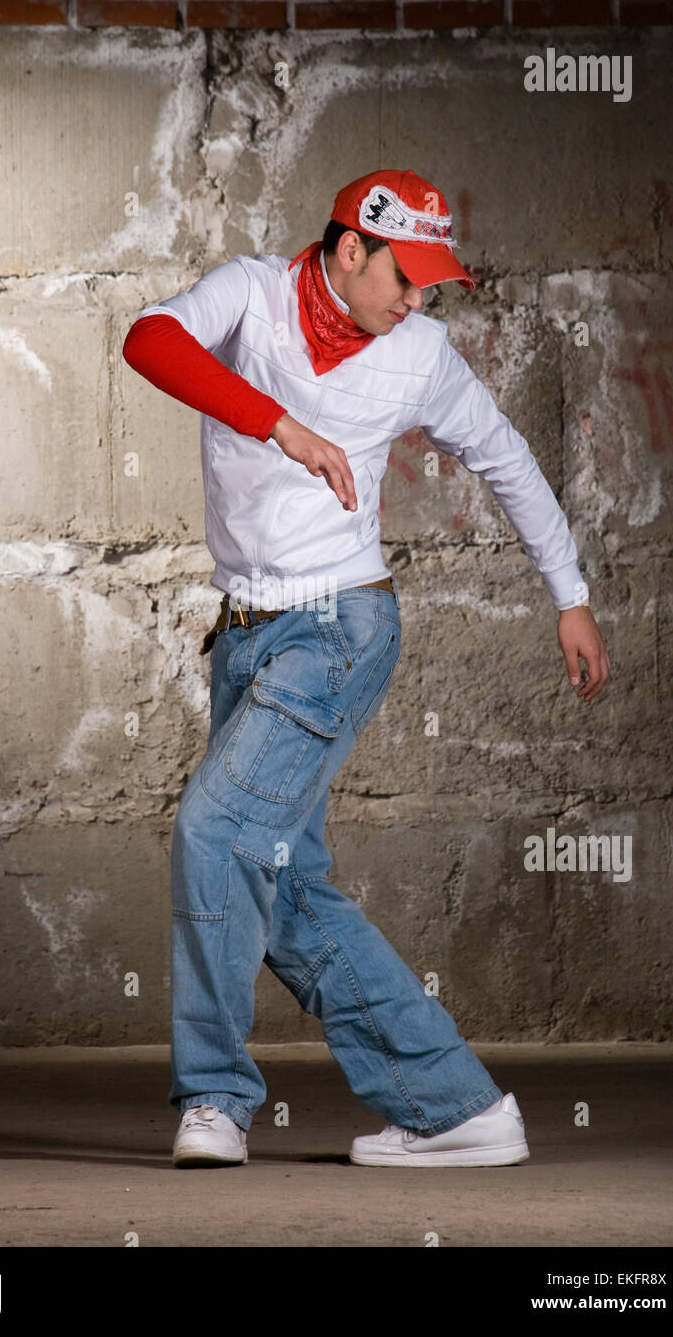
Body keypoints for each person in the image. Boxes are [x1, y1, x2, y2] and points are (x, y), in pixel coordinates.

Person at [121, 168, 611, 1169]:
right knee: (286, 888)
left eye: (431, 284)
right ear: (348, 251)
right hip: (246, 632)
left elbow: (506, 458)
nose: (418, 300)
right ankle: (452, 1107)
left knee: (214, 829)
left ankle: (214, 1098)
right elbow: (148, 341)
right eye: (405, 277)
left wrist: (568, 595)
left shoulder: (419, 353)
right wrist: (279, 422)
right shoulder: (250, 294)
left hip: (338, 629)